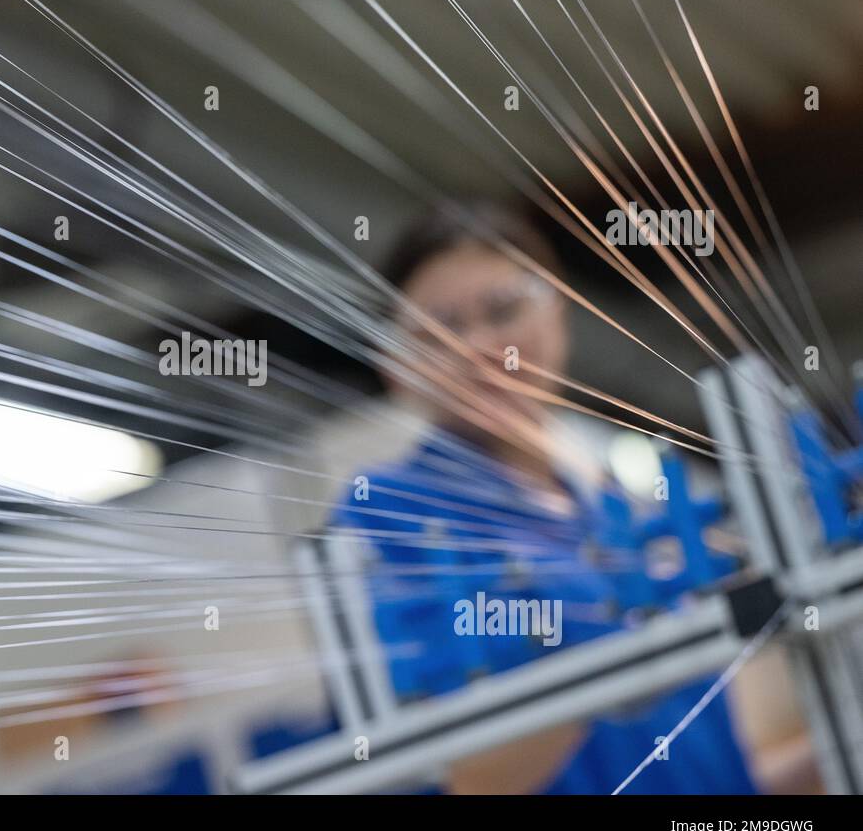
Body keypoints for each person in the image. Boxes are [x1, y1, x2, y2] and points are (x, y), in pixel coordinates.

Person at [332, 205, 818, 794]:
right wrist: (611, 655)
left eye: (505, 309)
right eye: (441, 330)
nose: (481, 347)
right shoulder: (392, 518)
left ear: (557, 311)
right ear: (396, 366)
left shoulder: (615, 506)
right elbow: (454, 779)